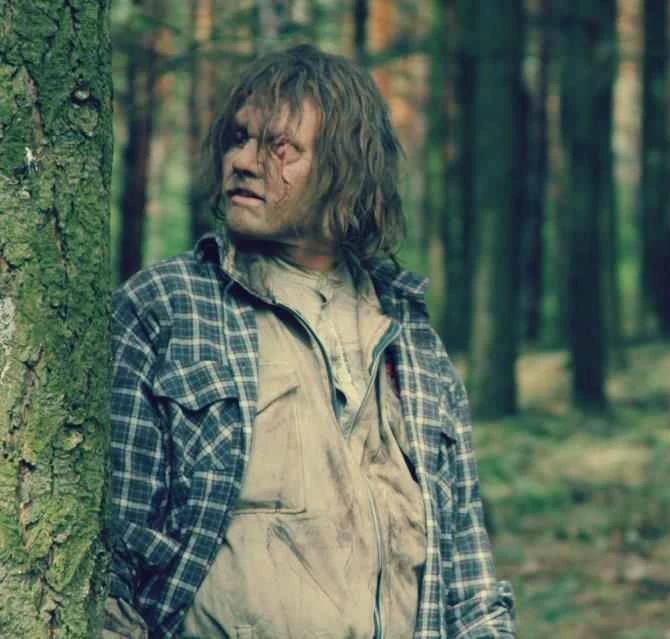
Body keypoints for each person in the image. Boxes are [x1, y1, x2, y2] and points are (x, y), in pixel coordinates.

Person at [105, 44, 515, 639]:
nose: (243, 161)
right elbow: (113, 569)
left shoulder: (411, 340)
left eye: (280, 148)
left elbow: (470, 587)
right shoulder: (167, 309)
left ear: (343, 171)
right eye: (238, 138)